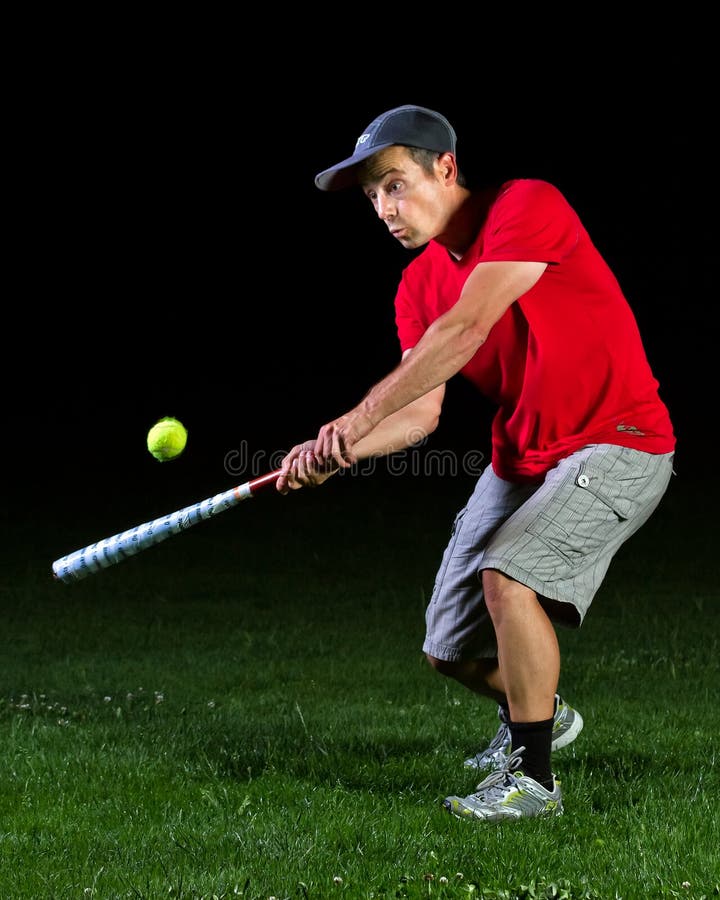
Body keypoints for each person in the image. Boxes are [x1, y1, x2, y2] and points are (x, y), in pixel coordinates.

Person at [276, 104, 676, 822]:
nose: (383, 209)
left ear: (446, 167)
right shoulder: (415, 287)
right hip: (523, 455)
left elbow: (467, 328)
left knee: (509, 575)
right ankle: (540, 716)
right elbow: (418, 414)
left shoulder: (527, 206)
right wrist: (335, 453)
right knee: (447, 649)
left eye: (394, 184)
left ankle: (534, 782)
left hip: (619, 439)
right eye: (372, 197)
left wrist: (353, 418)